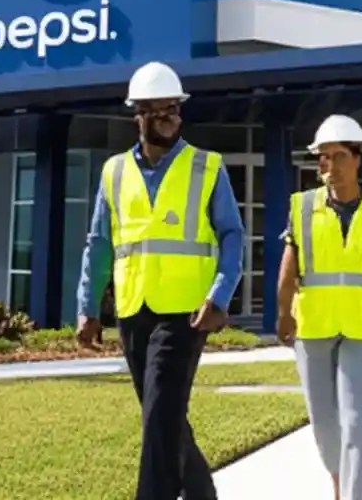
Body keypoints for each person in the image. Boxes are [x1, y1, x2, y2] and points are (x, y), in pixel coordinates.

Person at [75, 60, 245, 500]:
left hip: (187, 312)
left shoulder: (207, 167)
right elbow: (99, 243)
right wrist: (88, 309)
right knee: (164, 418)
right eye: (159, 111)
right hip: (133, 310)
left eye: (174, 109)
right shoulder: (114, 172)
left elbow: (232, 235)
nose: (170, 117)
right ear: (139, 115)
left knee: (160, 418)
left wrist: (219, 295)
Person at [275, 114, 362, 500]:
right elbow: (288, 266)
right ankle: (339, 483)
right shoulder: (302, 207)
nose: (330, 165)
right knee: (324, 424)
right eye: (324, 157)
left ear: (357, 159)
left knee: (357, 423)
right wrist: (283, 312)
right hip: (315, 326)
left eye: (339, 156)